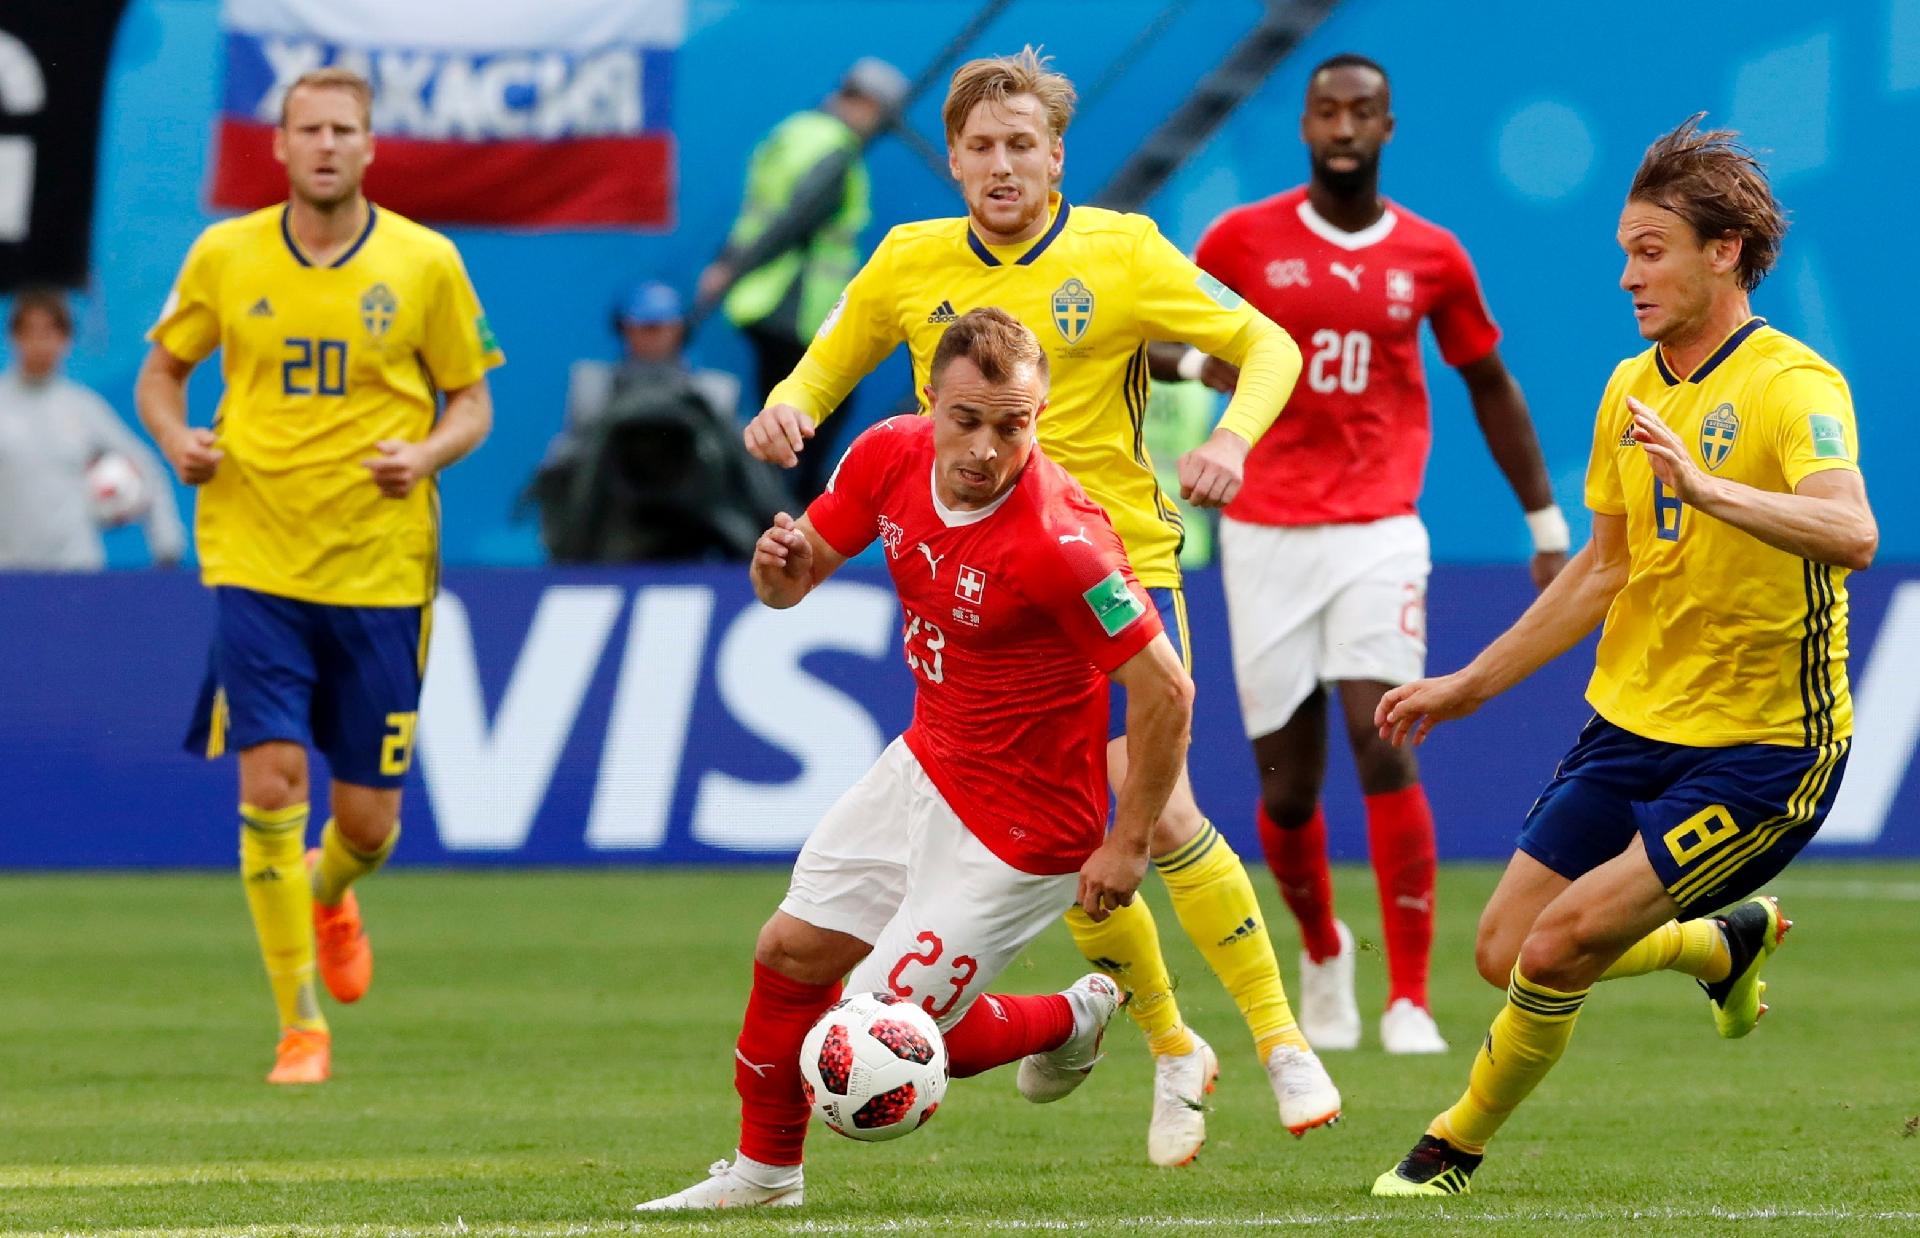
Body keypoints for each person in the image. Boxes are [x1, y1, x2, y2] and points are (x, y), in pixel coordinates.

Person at [741, 47, 1339, 1168]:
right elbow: (827, 362)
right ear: (955, 159)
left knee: (1146, 808)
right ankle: (1165, 1041)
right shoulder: (913, 259)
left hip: (1112, 562)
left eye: (1024, 145)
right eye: (982, 146)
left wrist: (1229, 437)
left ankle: (1279, 1035)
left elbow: (1265, 342)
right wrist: (786, 412)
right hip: (989, 584)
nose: (1003, 164)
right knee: (1064, 829)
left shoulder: (1120, 251)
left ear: (1058, 156)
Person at [1370, 115, 1875, 1197]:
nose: (1626, 276)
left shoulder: (1797, 385)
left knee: (1556, 950)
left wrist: (1709, 488)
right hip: (1634, 723)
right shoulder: (1627, 389)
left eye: (1650, 251)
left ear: (1723, 252)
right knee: (1503, 949)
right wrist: (1468, 683)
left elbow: (1853, 534)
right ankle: (1718, 945)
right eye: (1624, 252)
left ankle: (1451, 1145)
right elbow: (1602, 572)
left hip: (1767, 749)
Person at [638, 308, 1192, 1210]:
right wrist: (776, 567)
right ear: (929, 400)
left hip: (1026, 826)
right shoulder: (887, 454)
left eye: (1013, 425)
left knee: (866, 1035)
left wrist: (1127, 844)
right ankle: (764, 1177)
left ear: (1039, 415)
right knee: (789, 953)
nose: (986, 447)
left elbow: (1167, 692)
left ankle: (1072, 1014)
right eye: (966, 420)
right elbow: (793, 577)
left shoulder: (1062, 541)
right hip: (928, 761)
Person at [1167, 53, 1565, 1055]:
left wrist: (1546, 522)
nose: (1343, 124)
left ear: (1388, 128)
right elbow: (1167, 330)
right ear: (1306, 125)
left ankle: (1411, 998)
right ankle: (1323, 946)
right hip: (1262, 531)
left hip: (1380, 526)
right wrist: (1194, 367)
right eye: (1326, 109)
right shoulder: (1242, 238)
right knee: (1286, 788)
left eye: (1362, 111)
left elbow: (1488, 381)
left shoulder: (1431, 255)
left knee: (1381, 734)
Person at [135, 67, 502, 1085]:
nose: (329, 143)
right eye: (311, 129)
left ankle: (335, 890)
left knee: (368, 823)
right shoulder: (225, 253)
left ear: (371, 147)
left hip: (381, 566)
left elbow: (471, 401)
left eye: (346, 128)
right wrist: (176, 438)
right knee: (268, 778)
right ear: (283, 146)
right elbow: (161, 370)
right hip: (255, 555)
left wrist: (426, 454)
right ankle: (300, 1025)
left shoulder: (425, 263)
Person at [699, 56, 909, 501]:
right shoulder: (835, 148)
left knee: (782, 415)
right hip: (794, 304)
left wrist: (727, 266)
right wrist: (733, 267)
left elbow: (760, 214)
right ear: (866, 103)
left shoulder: (792, 134)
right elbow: (793, 221)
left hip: (760, 298)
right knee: (809, 414)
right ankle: (793, 510)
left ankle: (776, 507)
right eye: (883, 115)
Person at [0, 287, 185, 569]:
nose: (39, 344)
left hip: (77, 571)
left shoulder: (83, 408)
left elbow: (146, 469)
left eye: (49, 333)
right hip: (9, 575)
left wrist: (167, 547)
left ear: (66, 340)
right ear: (14, 338)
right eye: (29, 333)